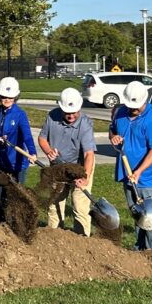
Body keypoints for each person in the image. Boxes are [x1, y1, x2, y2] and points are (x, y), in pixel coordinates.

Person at [109, 80, 152, 251]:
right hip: (128, 176)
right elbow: (112, 129)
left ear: (145, 100)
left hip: (150, 179)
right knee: (138, 216)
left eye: (136, 106)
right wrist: (113, 137)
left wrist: (139, 171)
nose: (133, 109)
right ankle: (141, 252)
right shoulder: (121, 112)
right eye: (130, 105)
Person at [38, 88, 96, 236]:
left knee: (79, 205)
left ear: (79, 108)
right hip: (58, 167)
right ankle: (55, 237)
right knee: (55, 203)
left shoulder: (85, 124)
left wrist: (85, 176)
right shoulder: (52, 117)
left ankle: (82, 239)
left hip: (80, 166)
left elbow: (89, 154)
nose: (71, 116)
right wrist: (48, 151)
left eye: (74, 112)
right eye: (67, 112)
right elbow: (42, 138)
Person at [0, 77, 37, 225]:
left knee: (16, 196)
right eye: (4, 96)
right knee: (1, 197)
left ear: (15, 97)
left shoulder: (20, 114)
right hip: (2, 162)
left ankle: (17, 225)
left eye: (10, 97)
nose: (7, 100)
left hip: (18, 164)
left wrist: (32, 152)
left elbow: (27, 136)